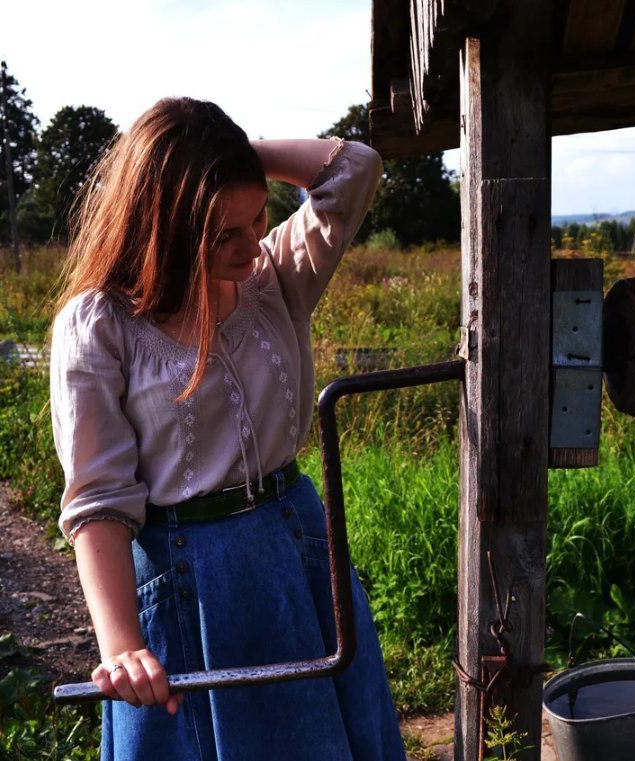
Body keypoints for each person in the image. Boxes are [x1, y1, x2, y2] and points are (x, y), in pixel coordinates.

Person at [49, 96, 406, 760]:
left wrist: (236, 154)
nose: (251, 247)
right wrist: (122, 645)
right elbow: (99, 502)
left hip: (298, 547)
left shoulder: (276, 278)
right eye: (225, 234)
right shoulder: (99, 323)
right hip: (192, 577)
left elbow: (354, 168)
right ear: (165, 223)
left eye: (258, 220)